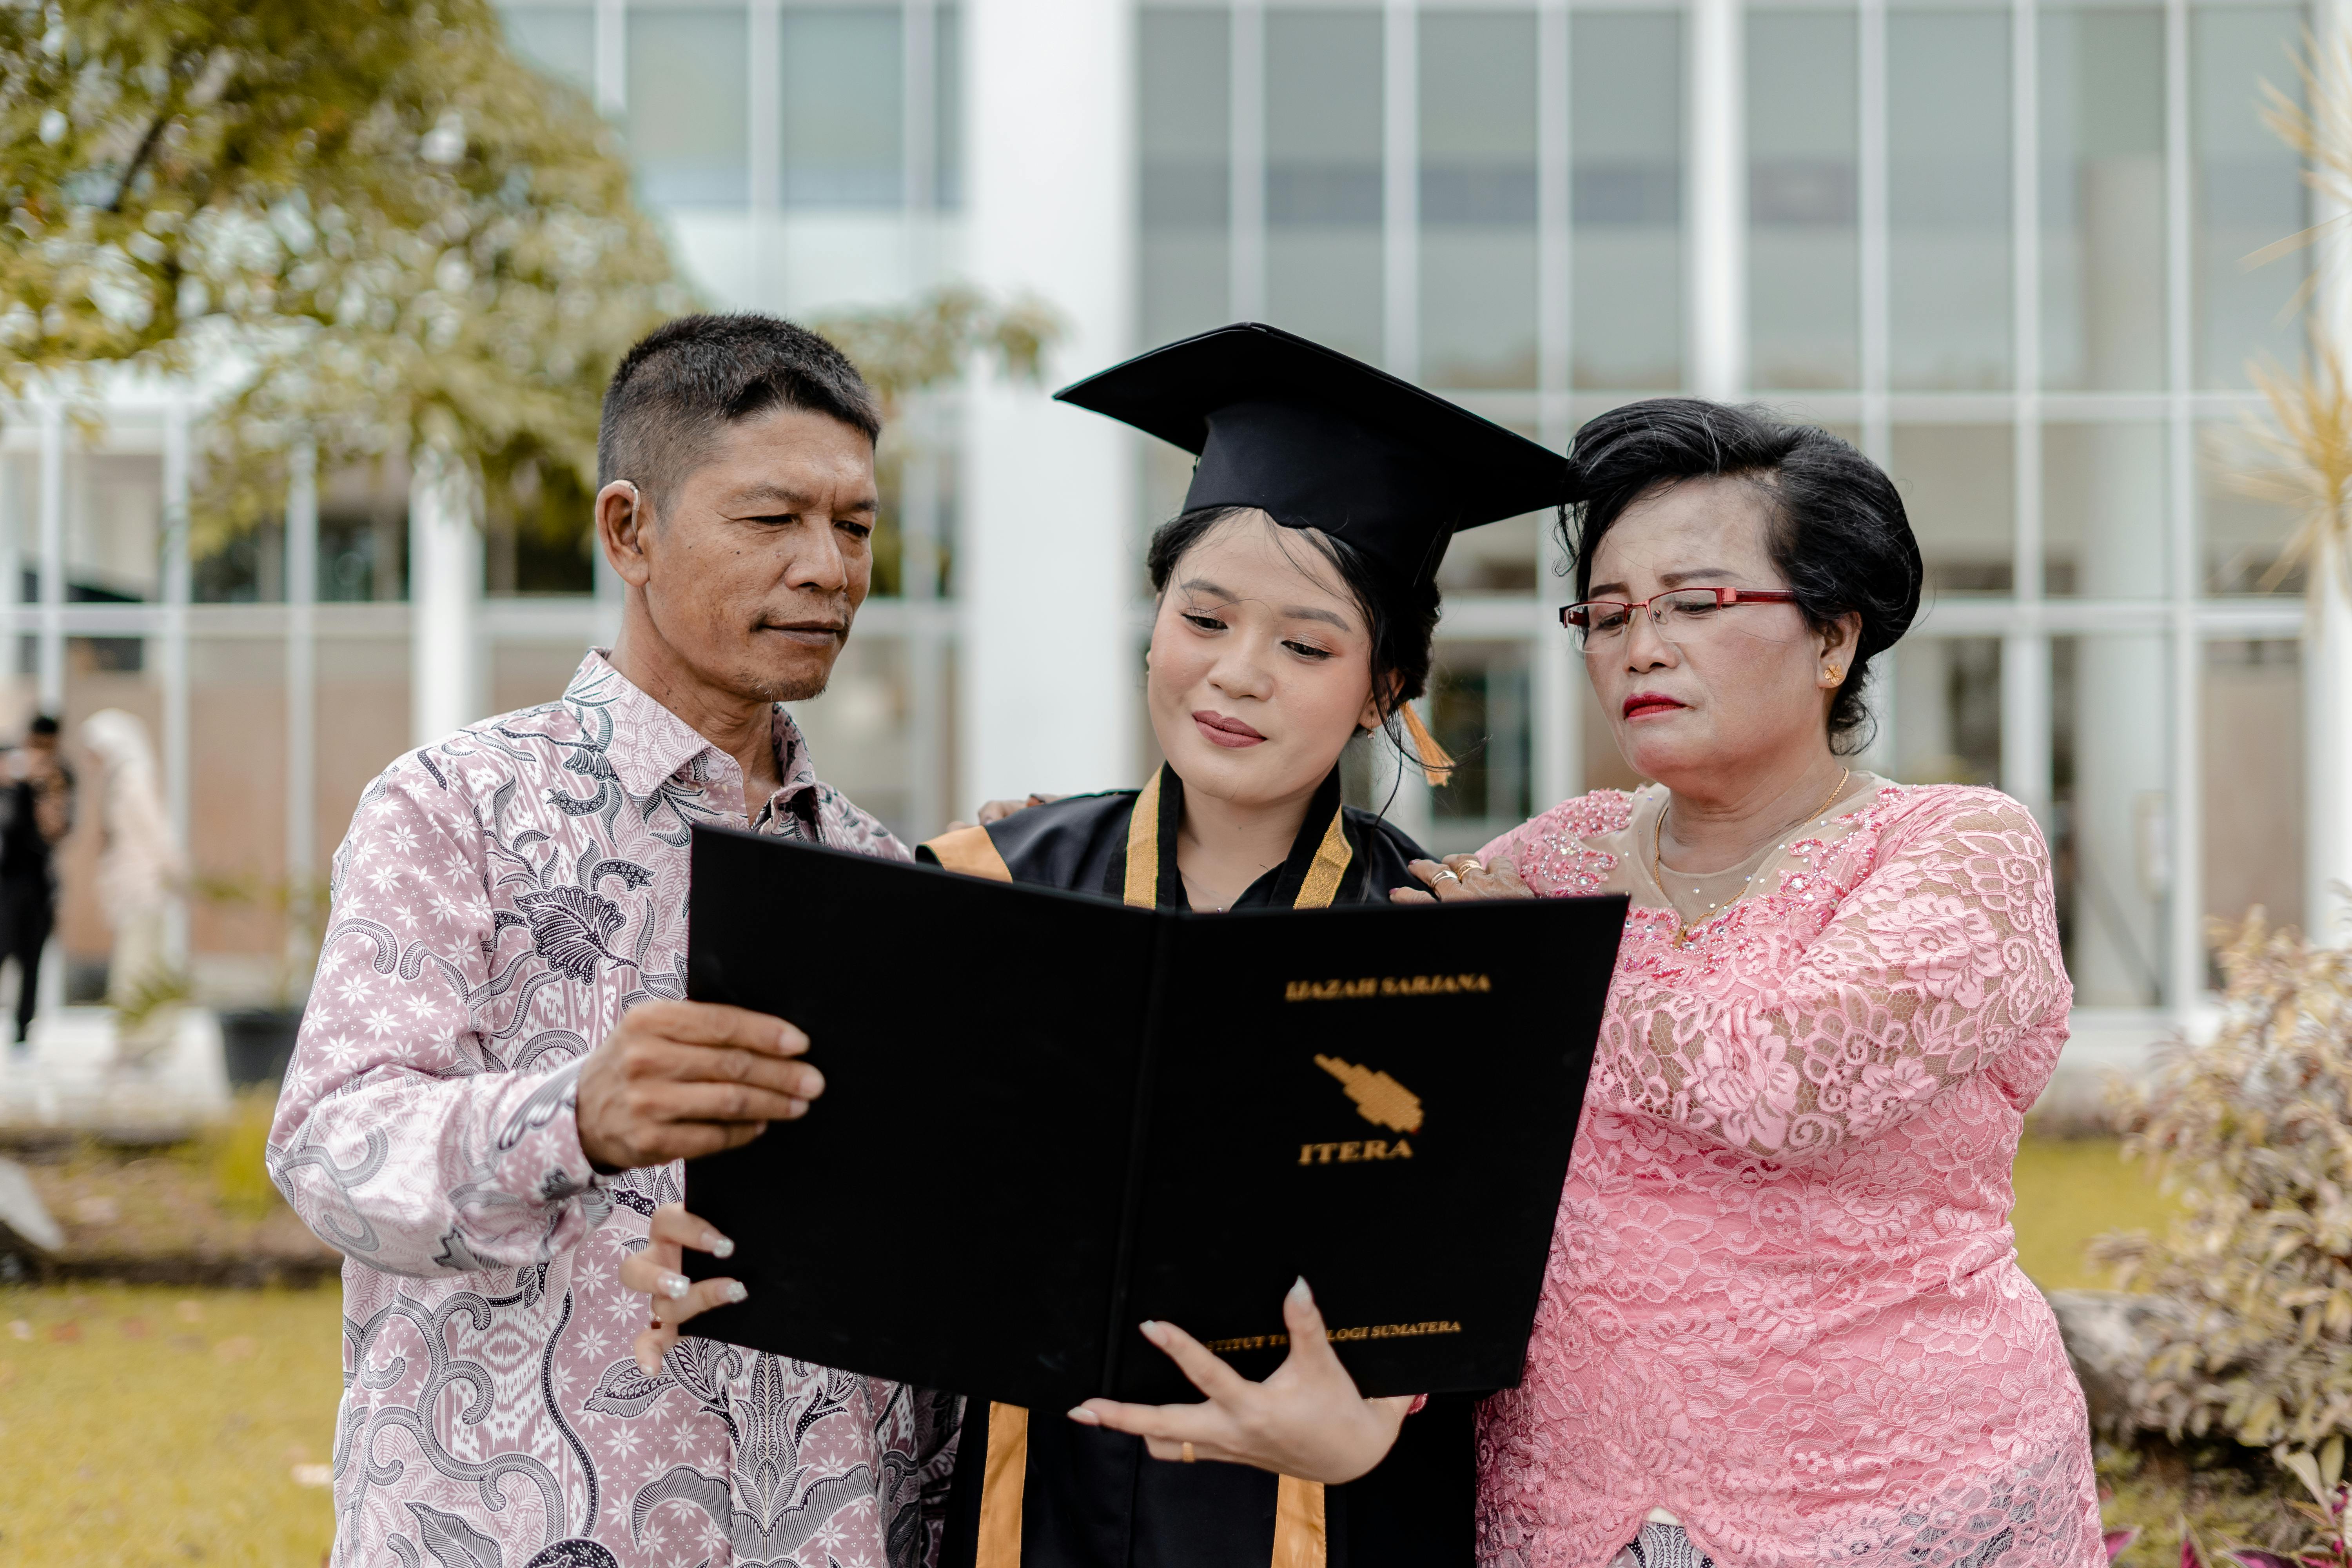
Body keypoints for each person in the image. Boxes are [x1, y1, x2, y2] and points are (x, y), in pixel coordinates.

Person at [624, 323, 1573, 1568]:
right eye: (1204, 617)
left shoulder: (1440, 946)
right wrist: (728, 1242)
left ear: (1385, 686)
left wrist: (1371, 1422)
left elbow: (1462, 1294)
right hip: (1036, 1503)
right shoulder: (987, 883)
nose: (1236, 675)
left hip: (1327, 1520)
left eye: (1305, 645)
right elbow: (868, 1184)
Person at [267, 314, 961, 1568]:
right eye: (771, 519)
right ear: (627, 530)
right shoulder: (455, 805)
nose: (827, 568)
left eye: (853, 526)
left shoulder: (883, 873)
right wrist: (572, 1118)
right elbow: (330, 1146)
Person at [1384, 399, 2103, 1566]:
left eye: (1694, 602)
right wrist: (1095, 846)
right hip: (1569, 1513)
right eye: (1605, 614)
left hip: (1907, 1509)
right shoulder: (1557, 858)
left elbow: (1786, 1077)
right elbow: (1353, 960)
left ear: (1832, 638)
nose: (1639, 645)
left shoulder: (1956, 847)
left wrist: (1531, 971)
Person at [82, 708, 188, 1066]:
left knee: (138, 965)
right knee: (141, 961)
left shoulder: (131, 780)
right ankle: (145, 1040)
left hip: (143, 887)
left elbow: (154, 831)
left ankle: (138, 1042)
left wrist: (176, 868)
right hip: (133, 886)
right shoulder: (119, 780)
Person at [0, 712, 73, 1053]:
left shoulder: (58, 777)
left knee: (31, 958)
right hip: (7, 879)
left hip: (37, 882)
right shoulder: (11, 769)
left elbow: (58, 829)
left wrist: (46, 790)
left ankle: (22, 1031)